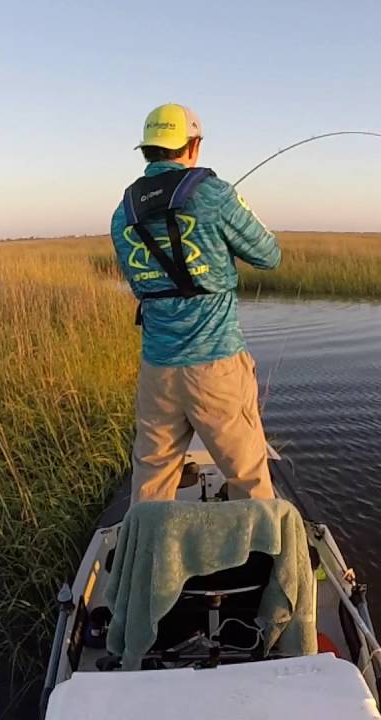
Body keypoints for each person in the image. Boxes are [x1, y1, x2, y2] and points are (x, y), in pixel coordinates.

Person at [110, 103, 282, 503]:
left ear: (148, 150)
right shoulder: (213, 194)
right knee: (250, 480)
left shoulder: (123, 214)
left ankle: (148, 560)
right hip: (217, 367)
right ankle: (260, 560)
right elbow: (269, 255)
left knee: (151, 483)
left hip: (158, 370)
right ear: (193, 145)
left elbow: (141, 284)